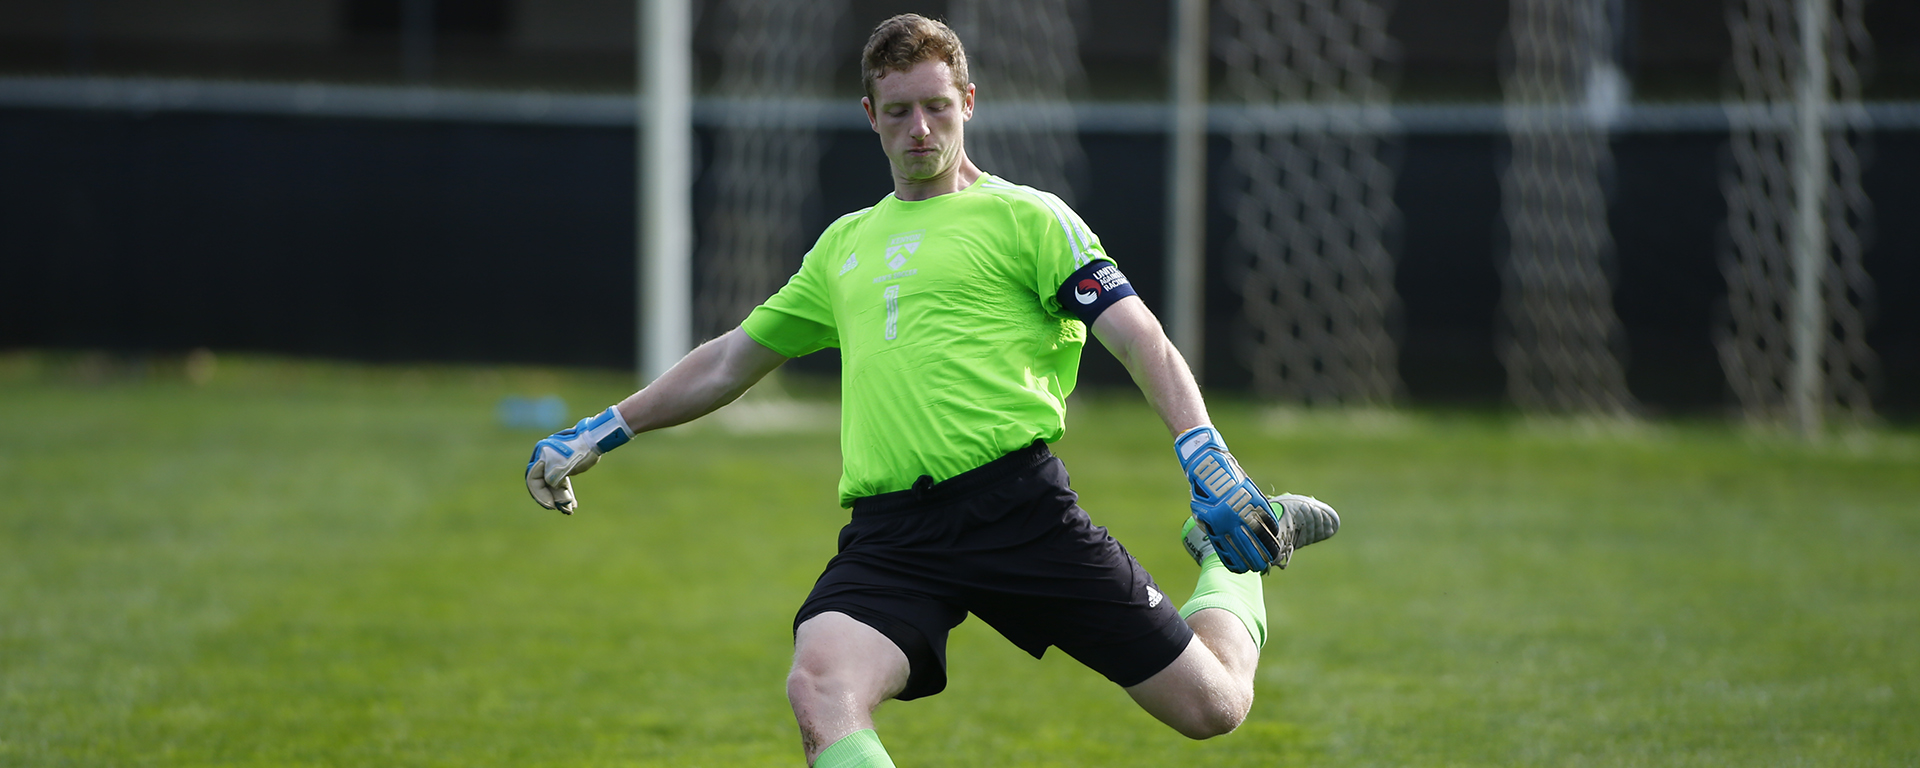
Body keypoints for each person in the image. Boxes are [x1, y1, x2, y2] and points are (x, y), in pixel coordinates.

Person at [525, 14, 1339, 768]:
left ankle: (1233, 569)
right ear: (869, 115)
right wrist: (601, 430)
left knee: (1214, 707)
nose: (921, 129)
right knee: (819, 685)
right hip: (894, 535)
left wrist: (1204, 453)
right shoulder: (844, 245)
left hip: (1018, 511)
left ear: (969, 103)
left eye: (938, 108)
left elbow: (1141, 340)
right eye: (899, 111)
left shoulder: (1031, 220)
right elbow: (730, 360)